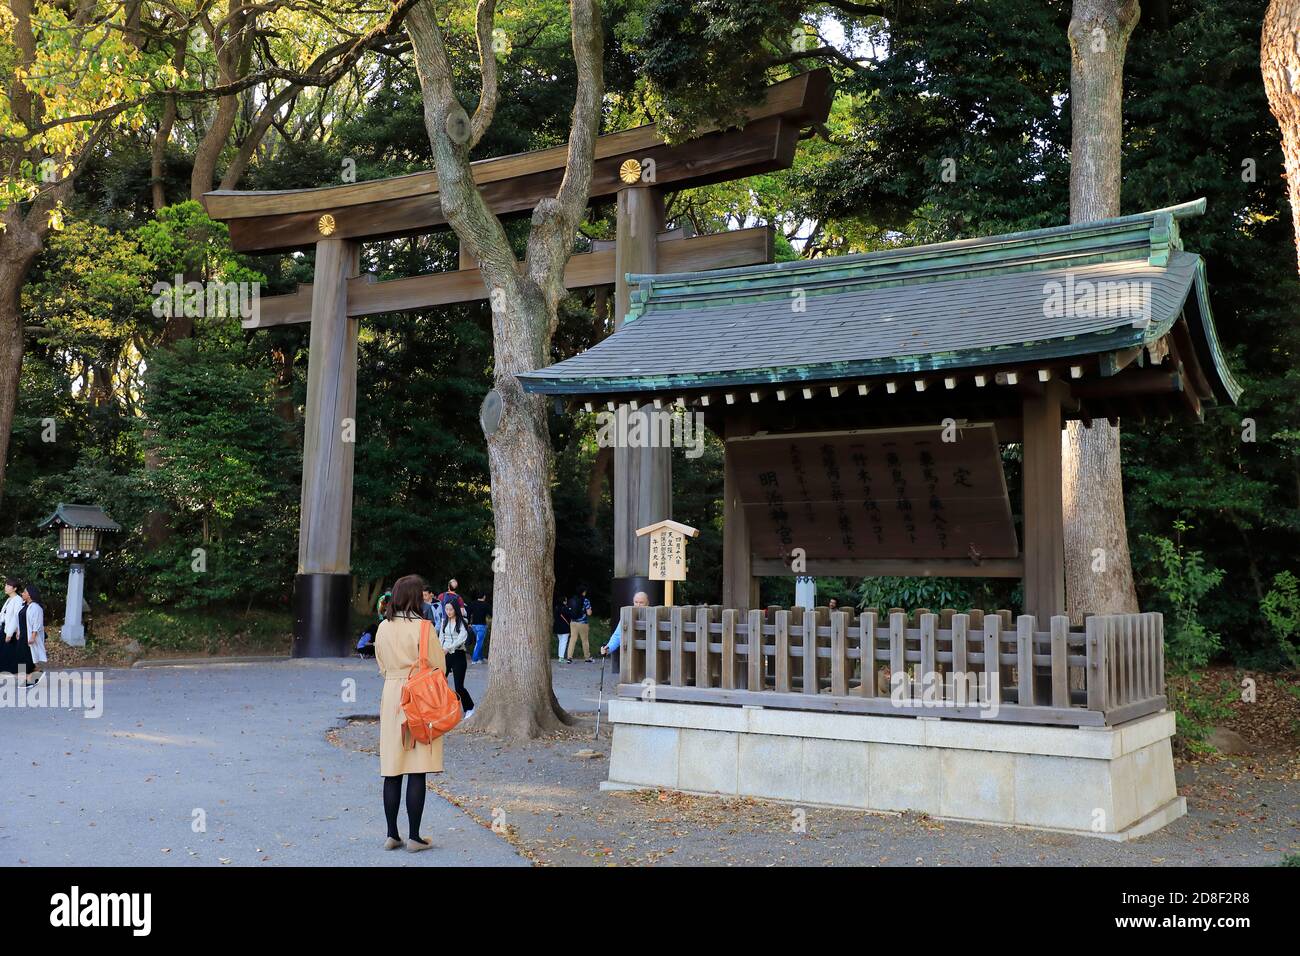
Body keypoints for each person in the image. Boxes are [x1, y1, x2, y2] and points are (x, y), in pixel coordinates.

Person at [374, 574, 445, 853]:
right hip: (419, 697)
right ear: (417, 597)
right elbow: (439, 667)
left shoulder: (383, 628)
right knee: (417, 769)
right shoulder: (424, 627)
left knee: (392, 769)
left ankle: (392, 834)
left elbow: (381, 665)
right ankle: (414, 836)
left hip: (391, 694)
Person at [439, 598, 474, 718]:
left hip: (458, 654)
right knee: (440, 683)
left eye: (451, 609)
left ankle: (469, 708)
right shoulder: (444, 621)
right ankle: (444, 709)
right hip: (445, 655)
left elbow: (462, 638)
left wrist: (448, 648)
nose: (448, 612)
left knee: (459, 686)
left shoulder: (462, 621)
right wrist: (440, 649)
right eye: (446, 609)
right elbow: (441, 637)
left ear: (455, 609)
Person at [601, 591, 650, 666]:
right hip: (632, 655)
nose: (638, 605)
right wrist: (608, 648)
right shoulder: (627, 616)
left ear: (647, 603)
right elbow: (618, 636)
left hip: (649, 655)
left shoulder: (652, 615)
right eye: (636, 602)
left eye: (641, 602)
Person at [21, 583, 46, 685]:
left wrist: (33, 635)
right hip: (23, 635)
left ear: (30, 594)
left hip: (30, 636)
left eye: (25, 592)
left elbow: (37, 623)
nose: (22, 593)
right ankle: (35, 674)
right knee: (24, 657)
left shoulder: (35, 607)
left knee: (27, 658)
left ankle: (31, 678)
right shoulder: (26, 605)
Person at [0, 577, 25, 676]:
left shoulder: (18, 600)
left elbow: (16, 618)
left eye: (8, 585)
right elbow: (3, 615)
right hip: (4, 629)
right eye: (6, 585)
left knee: (16, 656)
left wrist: (9, 633)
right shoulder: (9, 599)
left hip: (11, 632)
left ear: (15, 588)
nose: (6, 587)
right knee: (9, 655)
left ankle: (30, 673)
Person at [565, 586, 594, 662]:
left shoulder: (572, 600)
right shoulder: (586, 600)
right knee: (584, 640)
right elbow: (589, 613)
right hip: (583, 623)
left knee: (572, 639)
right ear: (583, 592)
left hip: (573, 623)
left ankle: (569, 657)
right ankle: (587, 658)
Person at [467, 592, 490, 663]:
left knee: (479, 641)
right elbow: (491, 614)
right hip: (482, 626)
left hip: (473, 626)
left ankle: (481, 658)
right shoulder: (486, 605)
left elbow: (468, 613)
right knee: (479, 642)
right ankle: (474, 659)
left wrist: (468, 623)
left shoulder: (472, 604)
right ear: (484, 596)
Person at [553, 595, 571, 663]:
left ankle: (560, 657)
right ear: (563, 601)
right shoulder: (565, 608)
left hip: (557, 628)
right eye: (566, 600)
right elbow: (570, 616)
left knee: (561, 642)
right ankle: (561, 658)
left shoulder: (556, 608)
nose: (566, 602)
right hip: (565, 628)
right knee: (563, 643)